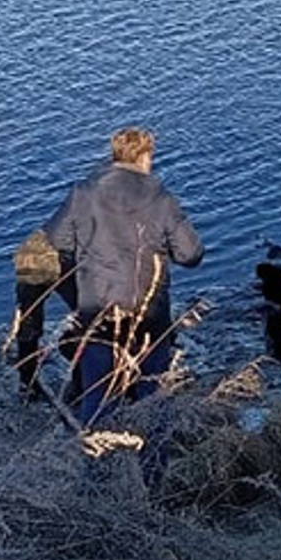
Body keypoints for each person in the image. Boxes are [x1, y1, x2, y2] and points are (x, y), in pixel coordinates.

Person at [44, 127, 203, 426]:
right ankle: (152, 467)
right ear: (145, 157)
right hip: (149, 312)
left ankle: (98, 462)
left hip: (98, 311)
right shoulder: (162, 199)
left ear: (114, 155)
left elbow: (56, 240)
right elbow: (191, 255)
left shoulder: (84, 193)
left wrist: (86, 261)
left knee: (97, 393)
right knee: (152, 394)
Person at [11, 228, 79, 402]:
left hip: (34, 248)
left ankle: (27, 383)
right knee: (87, 318)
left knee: (28, 322)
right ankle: (80, 385)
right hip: (61, 255)